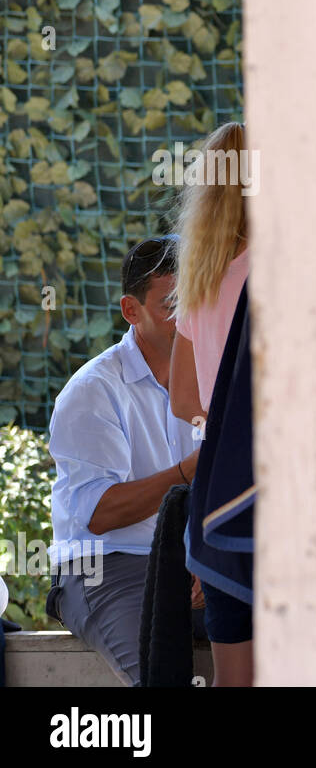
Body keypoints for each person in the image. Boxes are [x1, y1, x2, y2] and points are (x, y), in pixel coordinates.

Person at [45, 236, 202, 686]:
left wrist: (208, 559)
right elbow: (99, 514)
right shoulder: (92, 390)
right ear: (131, 311)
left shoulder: (217, 376)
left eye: (196, 299)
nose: (188, 318)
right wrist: (188, 471)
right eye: (172, 304)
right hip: (105, 563)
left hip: (190, 561)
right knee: (161, 673)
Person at [168, 121, 253, 687]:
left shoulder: (198, 276)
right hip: (283, 482)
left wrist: (220, 428)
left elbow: (183, 399)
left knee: (233, 678)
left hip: (217, 489)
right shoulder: (292, 266)